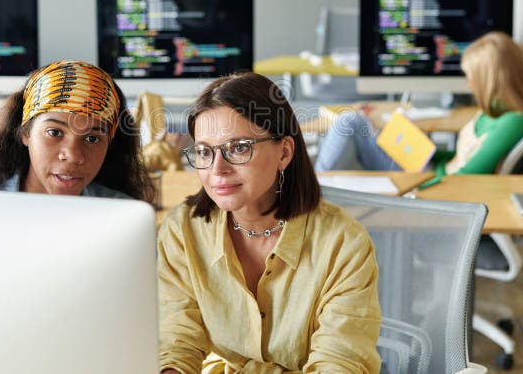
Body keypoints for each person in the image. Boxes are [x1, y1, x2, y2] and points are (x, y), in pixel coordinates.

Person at [158, 72, 381, 373]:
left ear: (284, 152)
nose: (217, 169)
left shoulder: (343, 244)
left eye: (238, 147)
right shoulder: (182, 231)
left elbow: (340, 363)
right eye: (203, 151)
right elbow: (176, 343)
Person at [315, 31, 523, 185]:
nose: (468, 83)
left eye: (471, 77)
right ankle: (311, 188)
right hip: (427, 169)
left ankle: (307, 194)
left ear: (489, 80)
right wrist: (425, 152)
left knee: (351, 122)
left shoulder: (513, 122)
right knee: (360, 123)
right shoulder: (496, 113)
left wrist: (410, 185)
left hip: (429, 184)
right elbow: (463, 159)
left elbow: (464, 178)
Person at [0, 60, 154, 202]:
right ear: (25, 132)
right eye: (55, 133)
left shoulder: (124, 214)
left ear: (110, 143)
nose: (72, 155)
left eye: (92, 138)